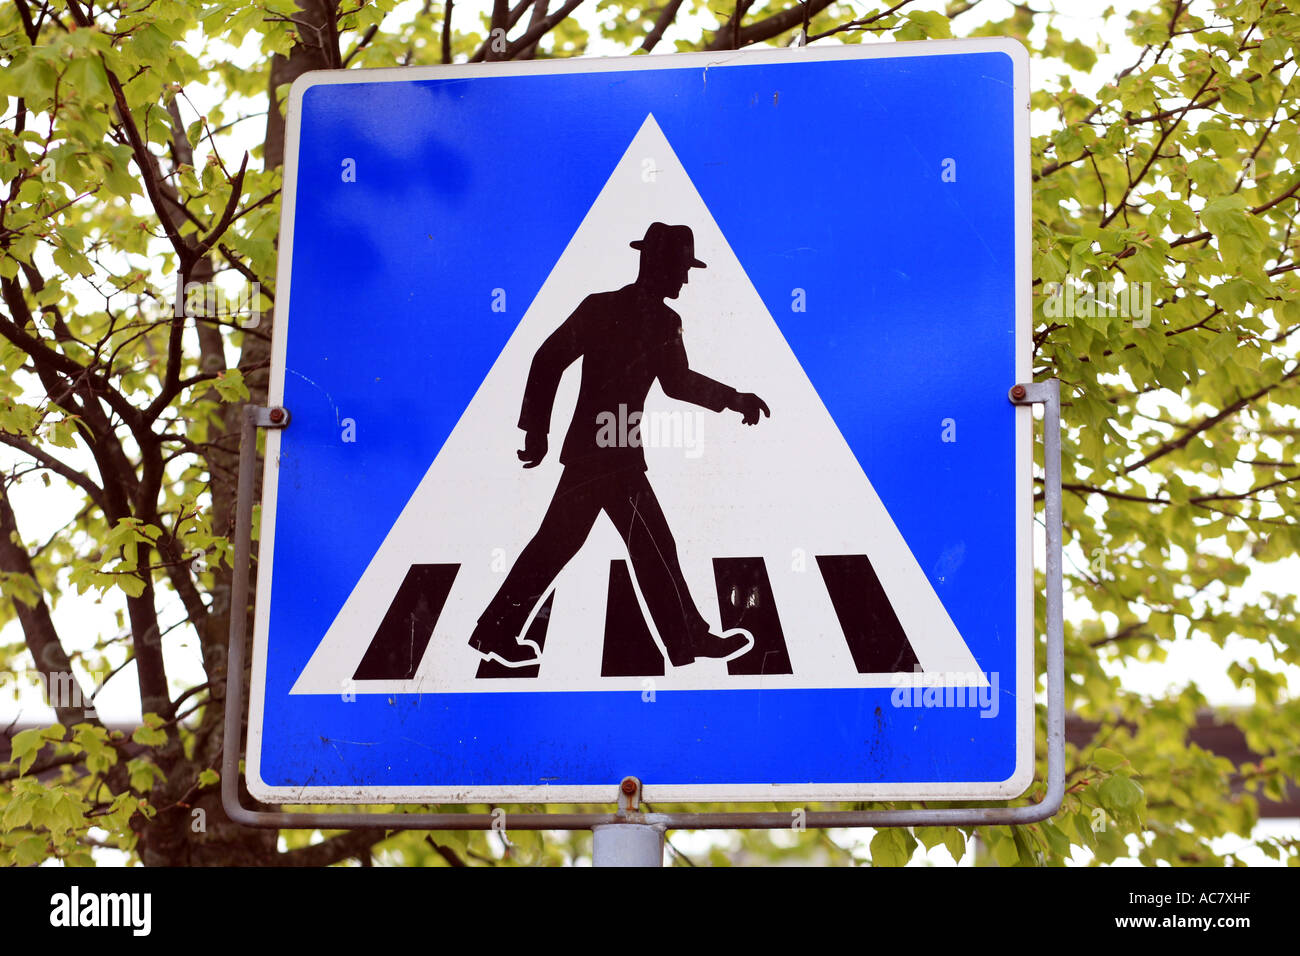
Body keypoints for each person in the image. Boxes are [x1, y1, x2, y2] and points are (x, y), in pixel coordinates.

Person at [469, 222, 770, 670]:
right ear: (660, 265)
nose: (685, 279)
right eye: (681, 268)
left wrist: (538, 430)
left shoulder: (603, 307)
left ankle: (495, 630)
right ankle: (690, 639)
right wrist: (735, 399)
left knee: (558, 544)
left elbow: (550, 359)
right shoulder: (659, 320)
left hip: (593, 451)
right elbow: (677, 383)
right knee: (653, 546)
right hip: (614, 457)